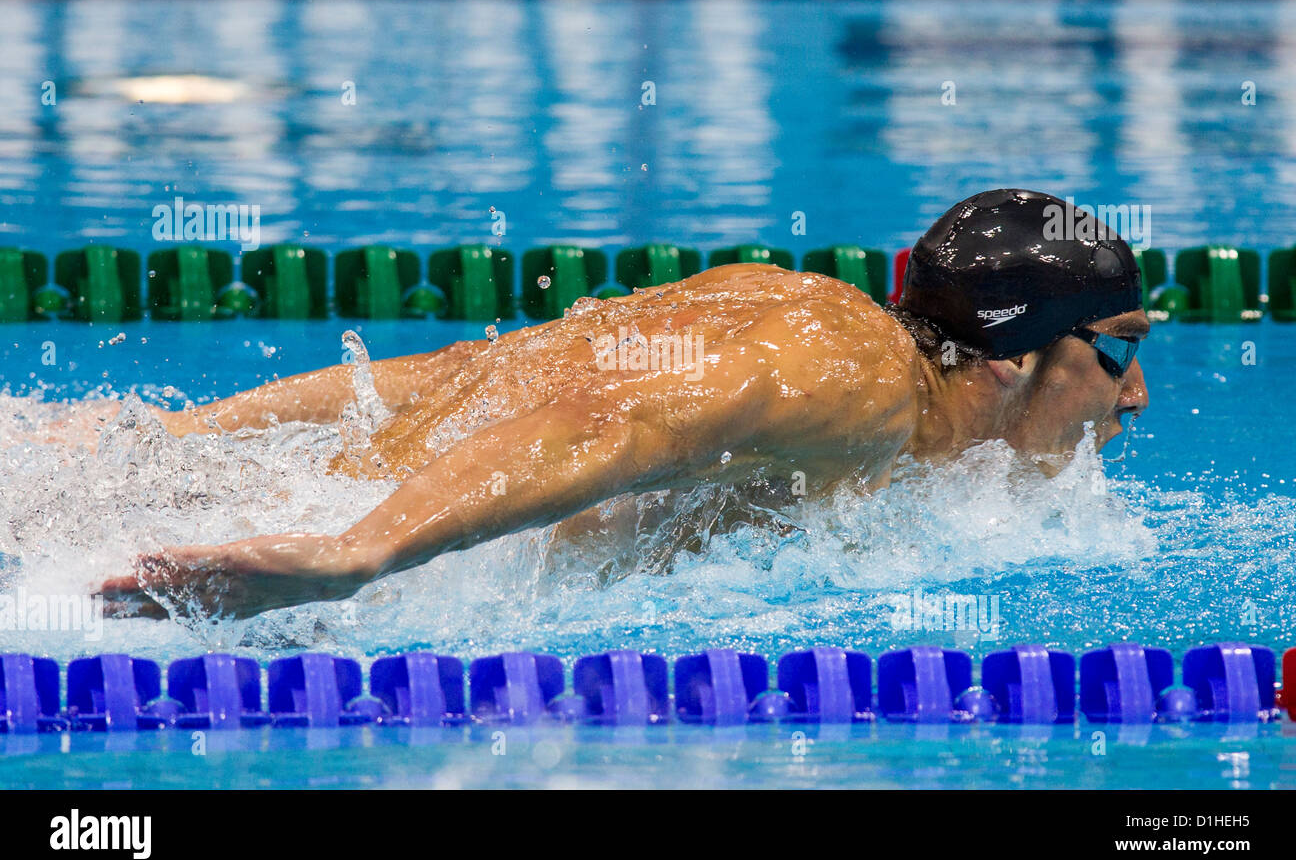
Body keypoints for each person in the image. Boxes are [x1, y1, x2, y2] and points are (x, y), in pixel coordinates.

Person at [93, 188, 1149, 618]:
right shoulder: (857, 379)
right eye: (1117, 354)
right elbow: (606, 420)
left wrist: (158, 442)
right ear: (1018, 350)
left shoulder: (819, 332)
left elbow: (457, 372)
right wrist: (355, 553)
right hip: (300, 550)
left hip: (255, 502)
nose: (1134, 398)